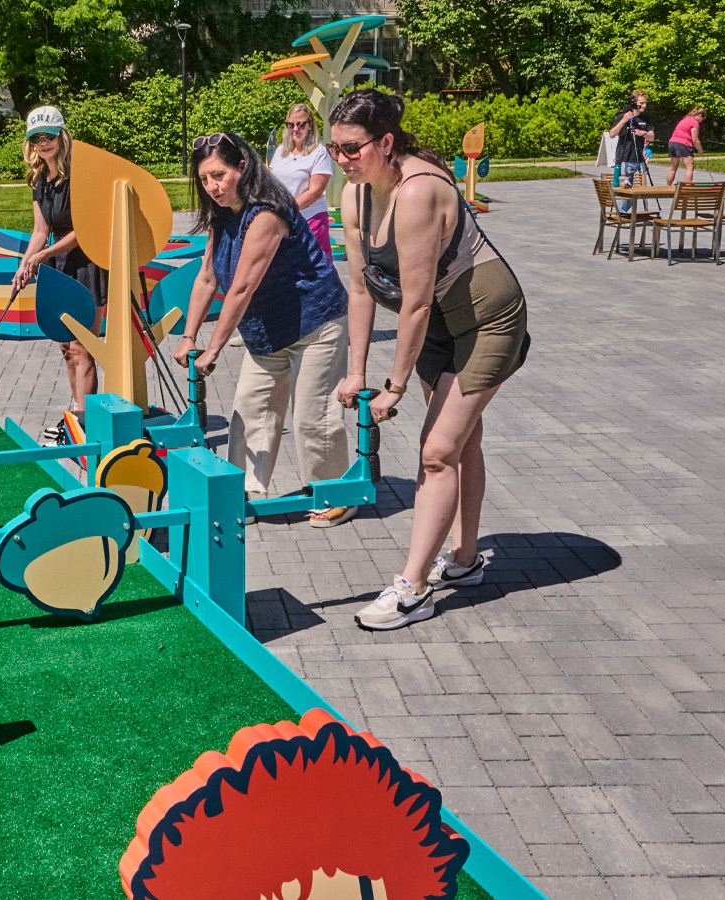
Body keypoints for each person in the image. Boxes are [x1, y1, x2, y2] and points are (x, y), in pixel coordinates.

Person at [329, 89, 530, 631]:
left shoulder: (418, 192)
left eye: (351, 148)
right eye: (334, 149)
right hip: (439, 323)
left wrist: (393, 386)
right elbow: (361, 288)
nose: (342, 159)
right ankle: (464, 561)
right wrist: (356, 371)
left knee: (437, 452)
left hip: (488, 319)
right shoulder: (354, 195)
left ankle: (414, 588)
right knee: (462, 441)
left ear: (385, 142)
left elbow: (414, 303)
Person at [176, 132, 355, 527]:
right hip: (268, 332)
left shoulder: (267, 212)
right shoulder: (222, 214)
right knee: (249, 412)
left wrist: (213, 349)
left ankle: (336, 492)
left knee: (313, 417)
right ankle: (242, 491)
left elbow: (242, 287)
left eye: (219, 175)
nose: (212, 187)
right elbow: (207, 278)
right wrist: (189, 336)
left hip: (315, 324)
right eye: (204, 179)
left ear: (241, 167)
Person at [10, 105, 105, 445]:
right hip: (58, 265)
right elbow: (41, 230)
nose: (43, 143)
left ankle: (87, 426)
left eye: (49, 136)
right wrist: (25, 263)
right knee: (66, 346)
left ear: (62, 136)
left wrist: (44, 255)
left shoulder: (79, 175)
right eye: (37, 138)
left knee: (83, 347)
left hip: (86, 263)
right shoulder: (40, 179)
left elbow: (84, 230)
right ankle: (75, 419)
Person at [269, 104, 336, 258]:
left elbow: (315, 192)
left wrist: (287, 211)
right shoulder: (280, 151)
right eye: (290, 125)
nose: (295, 129)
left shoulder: (319, 153)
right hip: (284, 221)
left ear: (310, 125)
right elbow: (271, 182)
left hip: (310, 220)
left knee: (315, 267)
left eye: (301, 124)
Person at [610, 90, 653, 211]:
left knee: (640, 190)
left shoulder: (645, 118)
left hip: (639, 159)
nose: (644, 106)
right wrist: (624, 120)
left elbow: (652, 137)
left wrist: (643, 133)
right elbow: (612, 134)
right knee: (625, 190)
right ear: (634, 103)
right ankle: (621, 214)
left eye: (645, 103)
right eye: (641, 103)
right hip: (625, 159)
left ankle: (629, 213)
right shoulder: (623, 115)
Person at [666, 107, 705, 185]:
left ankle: (668, 187)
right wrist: (700, 150)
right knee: (689, 167)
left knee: (673, 168)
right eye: (702, 119)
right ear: (699, 115)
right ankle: (687, 188)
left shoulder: (685, 119)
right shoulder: (694, 122)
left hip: (673, 142)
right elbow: (695, 140)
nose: (701, 121)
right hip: (683, 144)